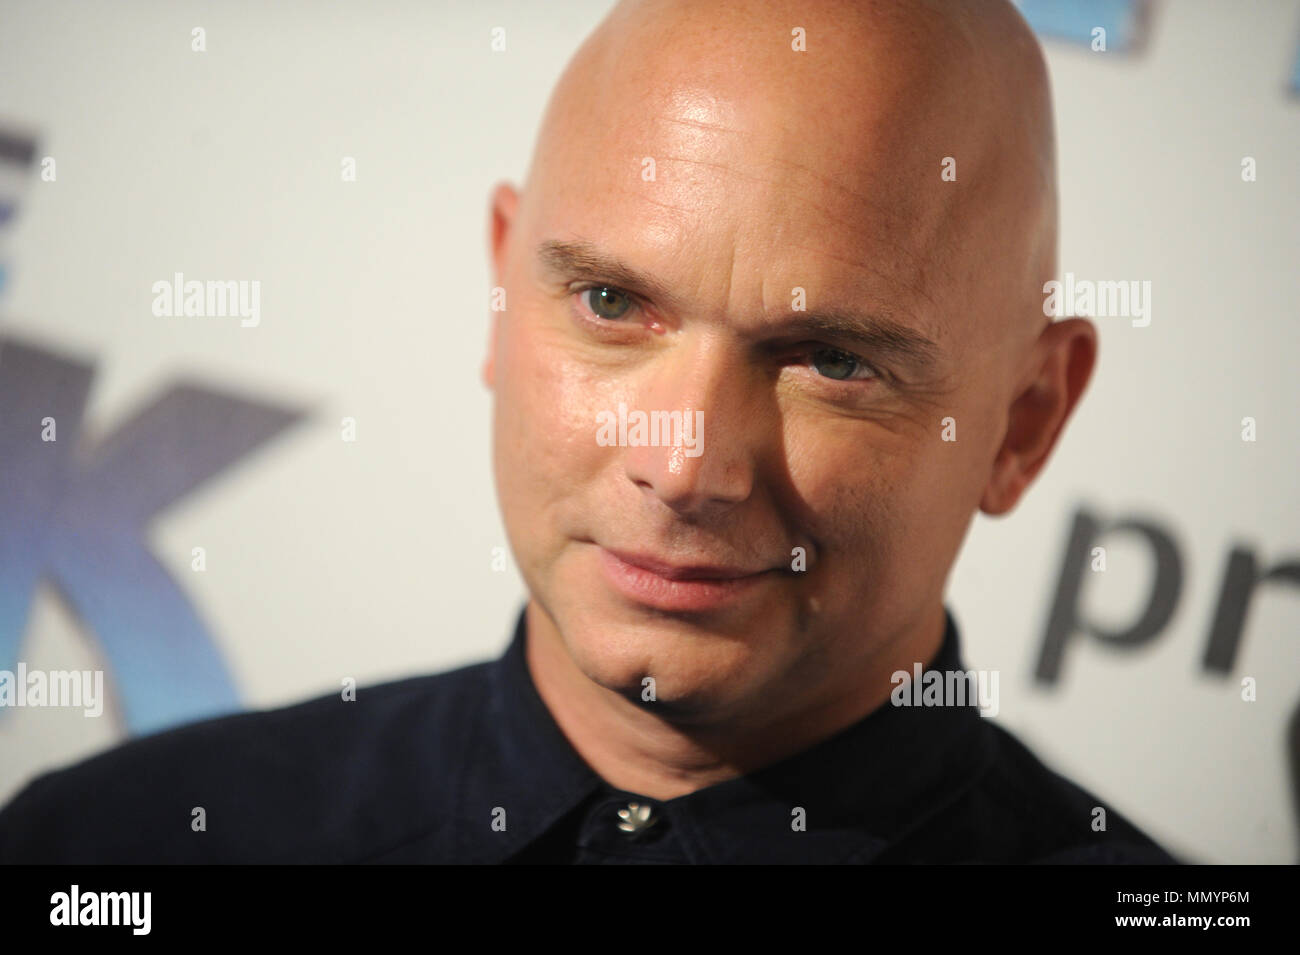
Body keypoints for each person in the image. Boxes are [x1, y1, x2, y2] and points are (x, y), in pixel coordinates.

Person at [0, 0, 1177, 864]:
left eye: (830, 361)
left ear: (1024, 423)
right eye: (611, 304)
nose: (681, 464)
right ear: (502, 290)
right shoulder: (114, 845)